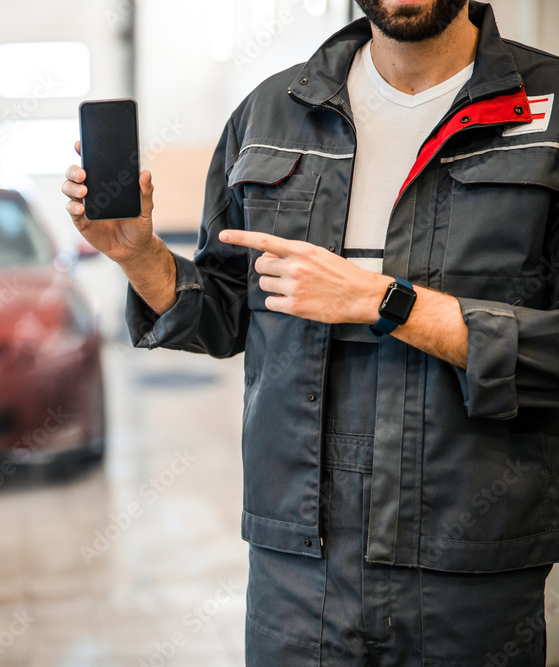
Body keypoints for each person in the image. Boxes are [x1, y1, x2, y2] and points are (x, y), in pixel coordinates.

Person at [64, 1, 559, 663]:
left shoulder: (545, 112)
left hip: (471, 571)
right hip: (296, 574)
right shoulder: (271, 114)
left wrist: (390, 304)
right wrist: (139, 254)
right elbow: (224, 312)